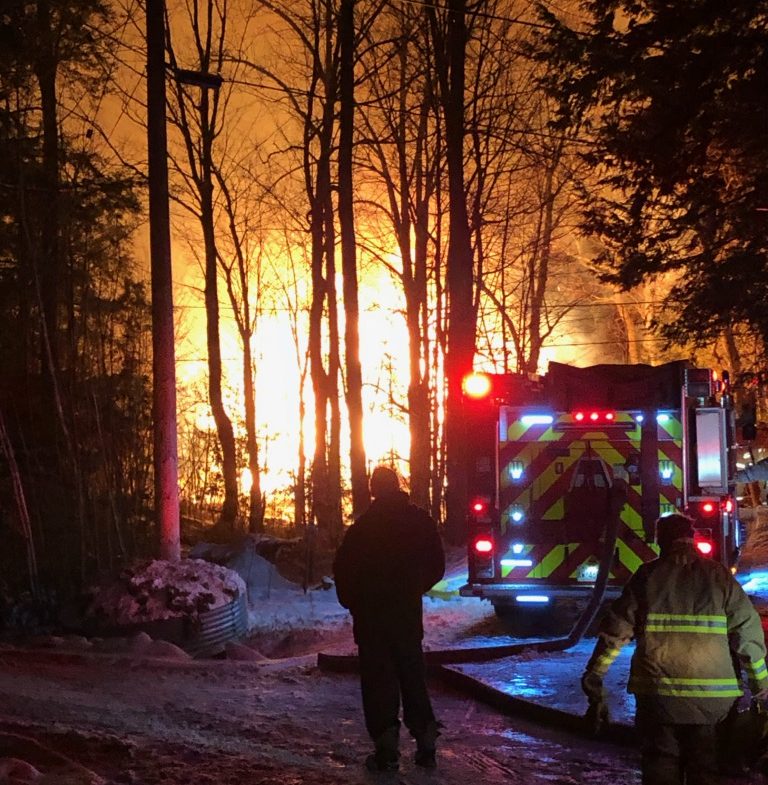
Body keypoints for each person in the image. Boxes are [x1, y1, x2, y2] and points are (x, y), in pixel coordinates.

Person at [581, 513, 768, 785]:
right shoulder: (718, 577)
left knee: (660, 766)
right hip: (713, 702)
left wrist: (595, 676)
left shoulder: (647, 576)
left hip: (657, 698)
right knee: (705, 769)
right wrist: (761, 686)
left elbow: (615, 632)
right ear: (692, 540)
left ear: (661, 541)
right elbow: (748, 636)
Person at [333, 466, 445, 772]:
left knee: (379, 680)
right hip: (407, 618)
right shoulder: (420, 523)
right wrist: (413, 590)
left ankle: (386, 747)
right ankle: (425, 741)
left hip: (372, 621)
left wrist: (355, 603)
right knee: (413, 676)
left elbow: (343, 571)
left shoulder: (362, 529)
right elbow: (437, 564)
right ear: (397, 487)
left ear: (373, 491)